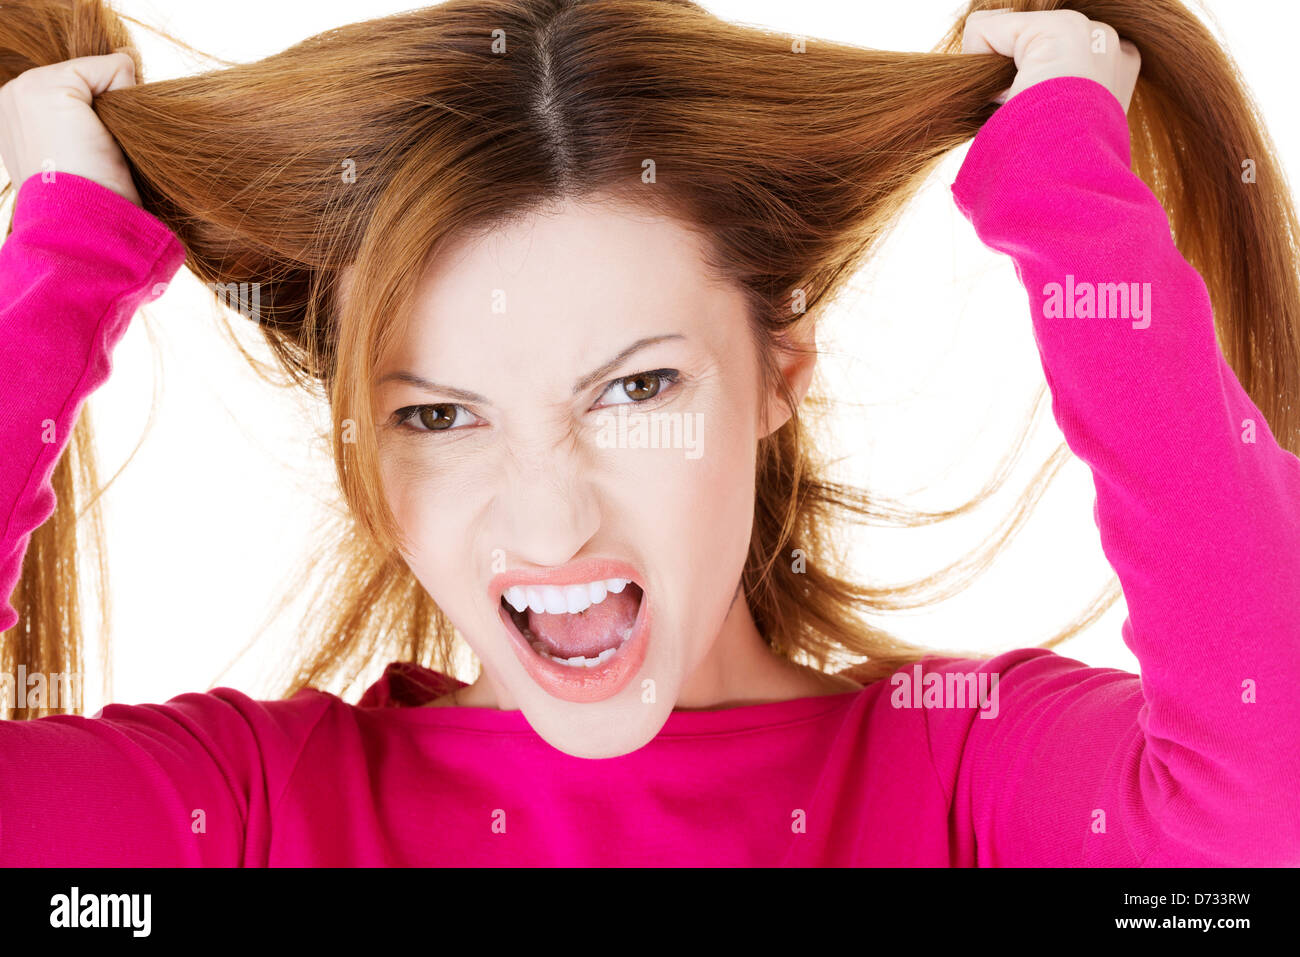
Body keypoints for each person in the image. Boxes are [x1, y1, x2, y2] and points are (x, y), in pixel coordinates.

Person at [0, 0, 1296, 865]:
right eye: (438, 413)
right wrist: (63, 262)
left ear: (776, 373)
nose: (552, 517)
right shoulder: (255, 811)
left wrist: (1068, 185)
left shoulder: (961, 775)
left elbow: (1267, 780)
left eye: (636, 389)